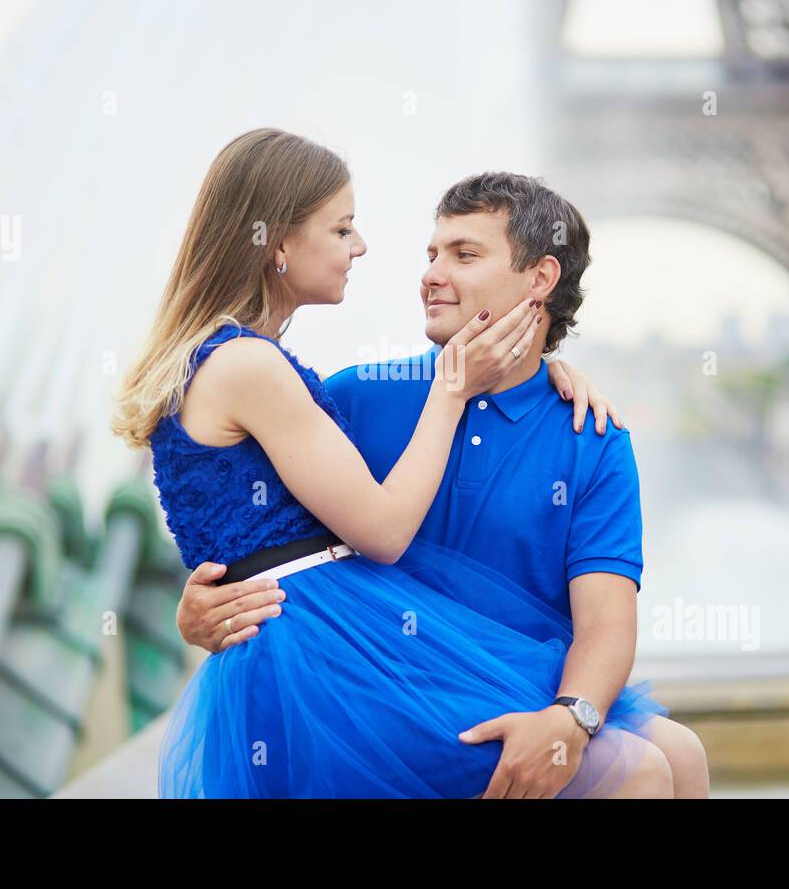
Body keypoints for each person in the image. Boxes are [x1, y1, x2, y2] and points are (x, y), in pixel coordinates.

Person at [113, 128, 670, 797]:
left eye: (464, 254)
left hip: (404, 655)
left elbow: (608, 625)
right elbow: (346, 526)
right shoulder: (326, 388)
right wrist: (196, 609)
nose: (369, 249)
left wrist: (540, 370)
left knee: (676, 755)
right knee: (646, 769)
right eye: (343, 229)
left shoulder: (589, 432)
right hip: (345, 660)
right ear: (279, 243)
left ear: (540, 280)